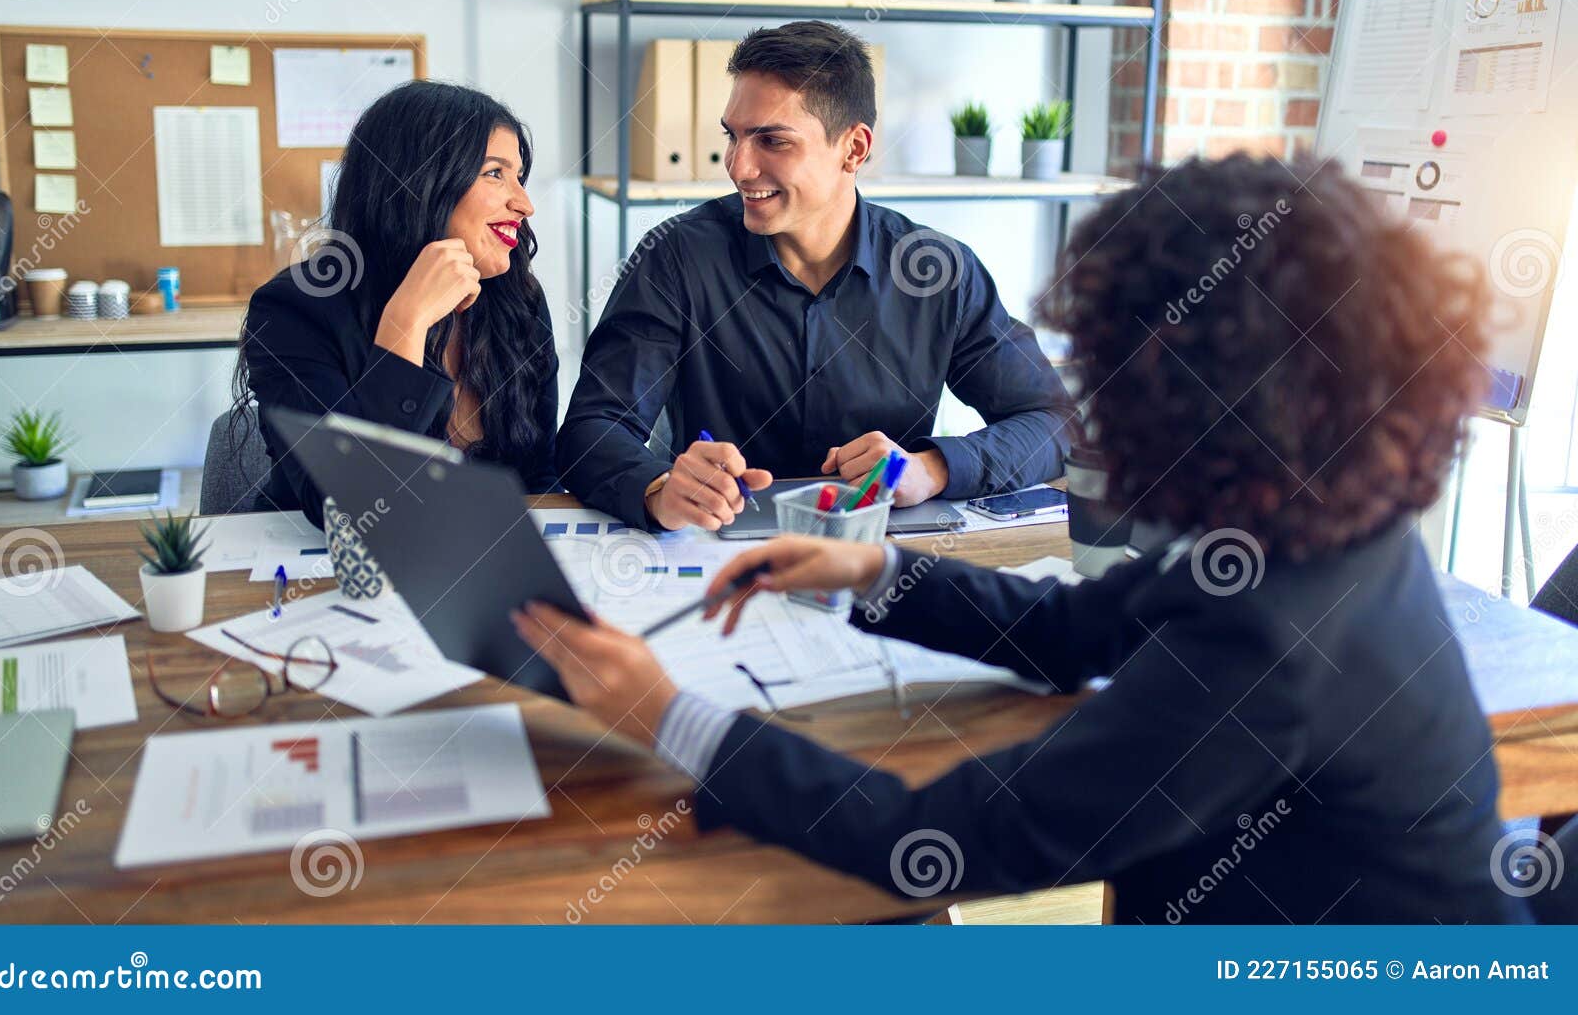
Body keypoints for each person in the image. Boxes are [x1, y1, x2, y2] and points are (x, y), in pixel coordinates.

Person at [517, 154, 1529, 924]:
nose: (1089, 404)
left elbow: (944, 838)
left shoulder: (1270, 645)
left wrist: (665, 712)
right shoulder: (1328, 526)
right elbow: (1079, 625)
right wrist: (868, 567)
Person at [555, 20, 1074, 532]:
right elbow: (592, 431)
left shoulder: (939, 272)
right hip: (716, 563)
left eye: (772, 142)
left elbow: (1053, 424)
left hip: (878, 566)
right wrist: (657, 488)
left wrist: (931, 469)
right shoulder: (676, 257)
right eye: (732, 136)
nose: (738, 166)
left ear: (854, 149)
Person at [235, 80, 558, 526]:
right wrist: (407, 321)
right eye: (494, 173)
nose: (524, 203)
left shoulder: (517, 301)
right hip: (325, 575)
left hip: (479, 570)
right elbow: (345, 506)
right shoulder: (295, 310)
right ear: (419, 183)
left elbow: (539, 481)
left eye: (519, 177)